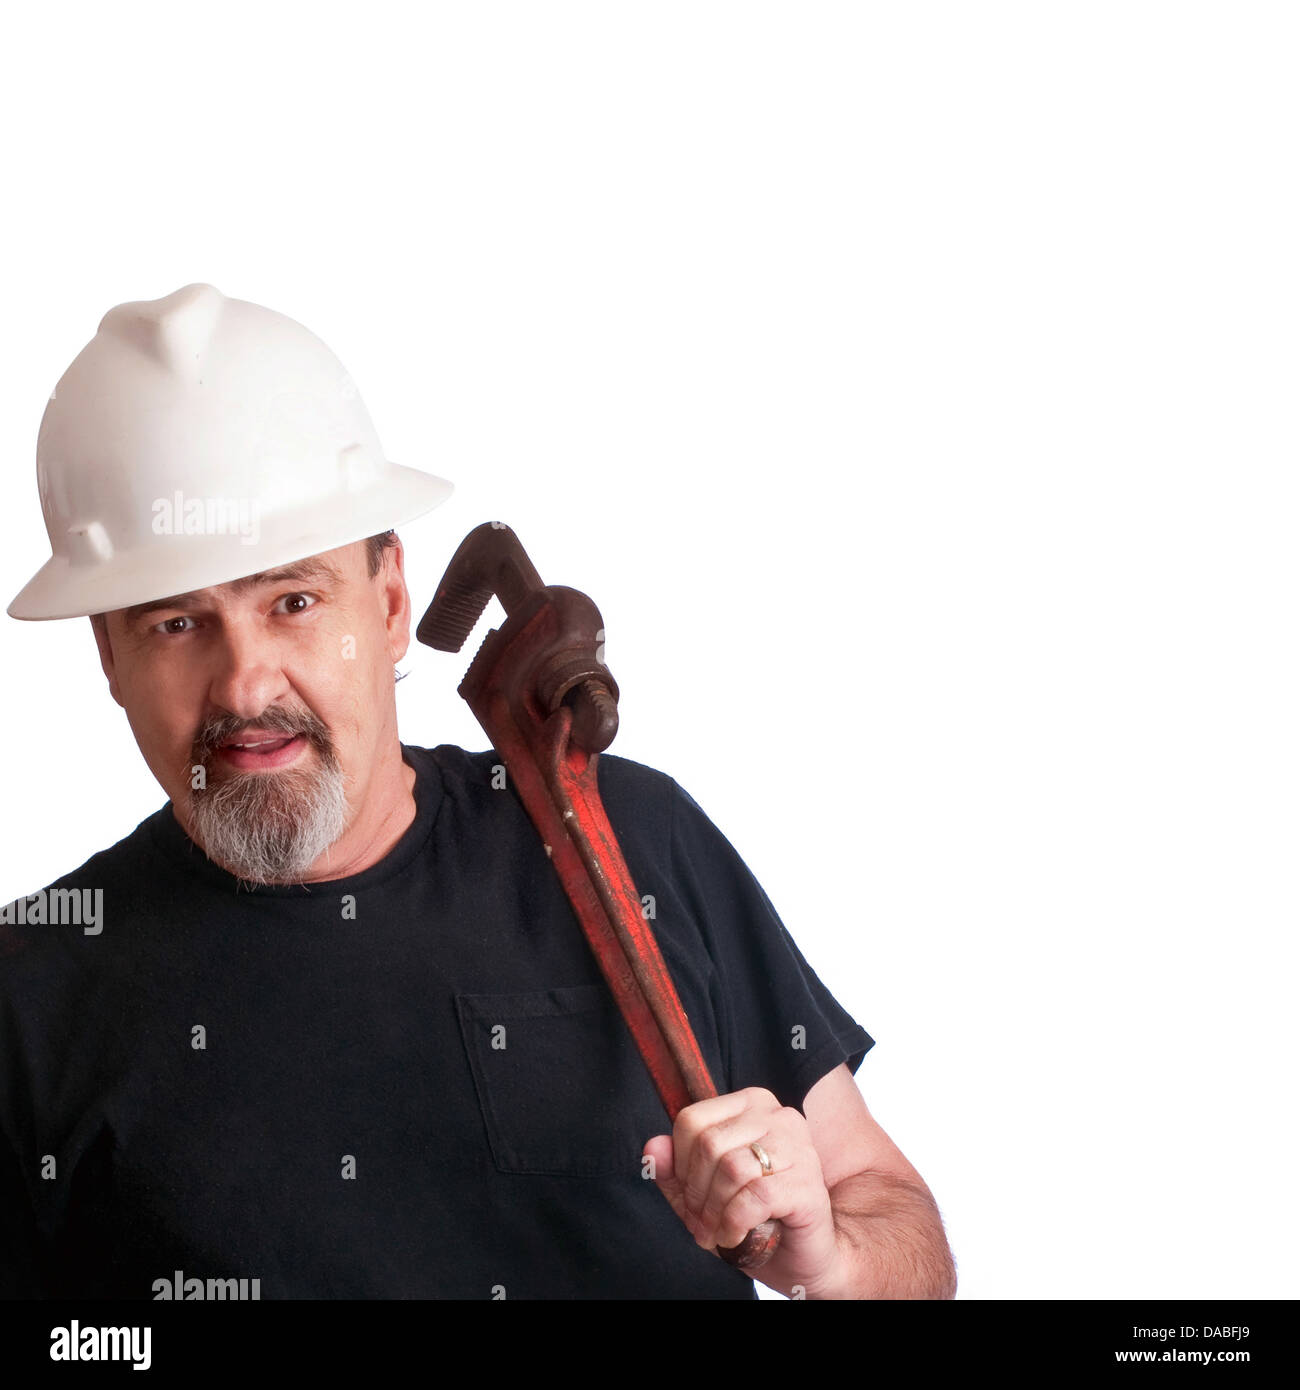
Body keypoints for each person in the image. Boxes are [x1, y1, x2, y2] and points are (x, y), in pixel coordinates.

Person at [1, 284, 955, 1300]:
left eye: (293, 599)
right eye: (177, 624)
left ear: (392, 600)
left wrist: (834, 1257)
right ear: (109, 653)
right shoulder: (32, 991)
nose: (245, 684)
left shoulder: (635, 840)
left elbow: (891, 1219)